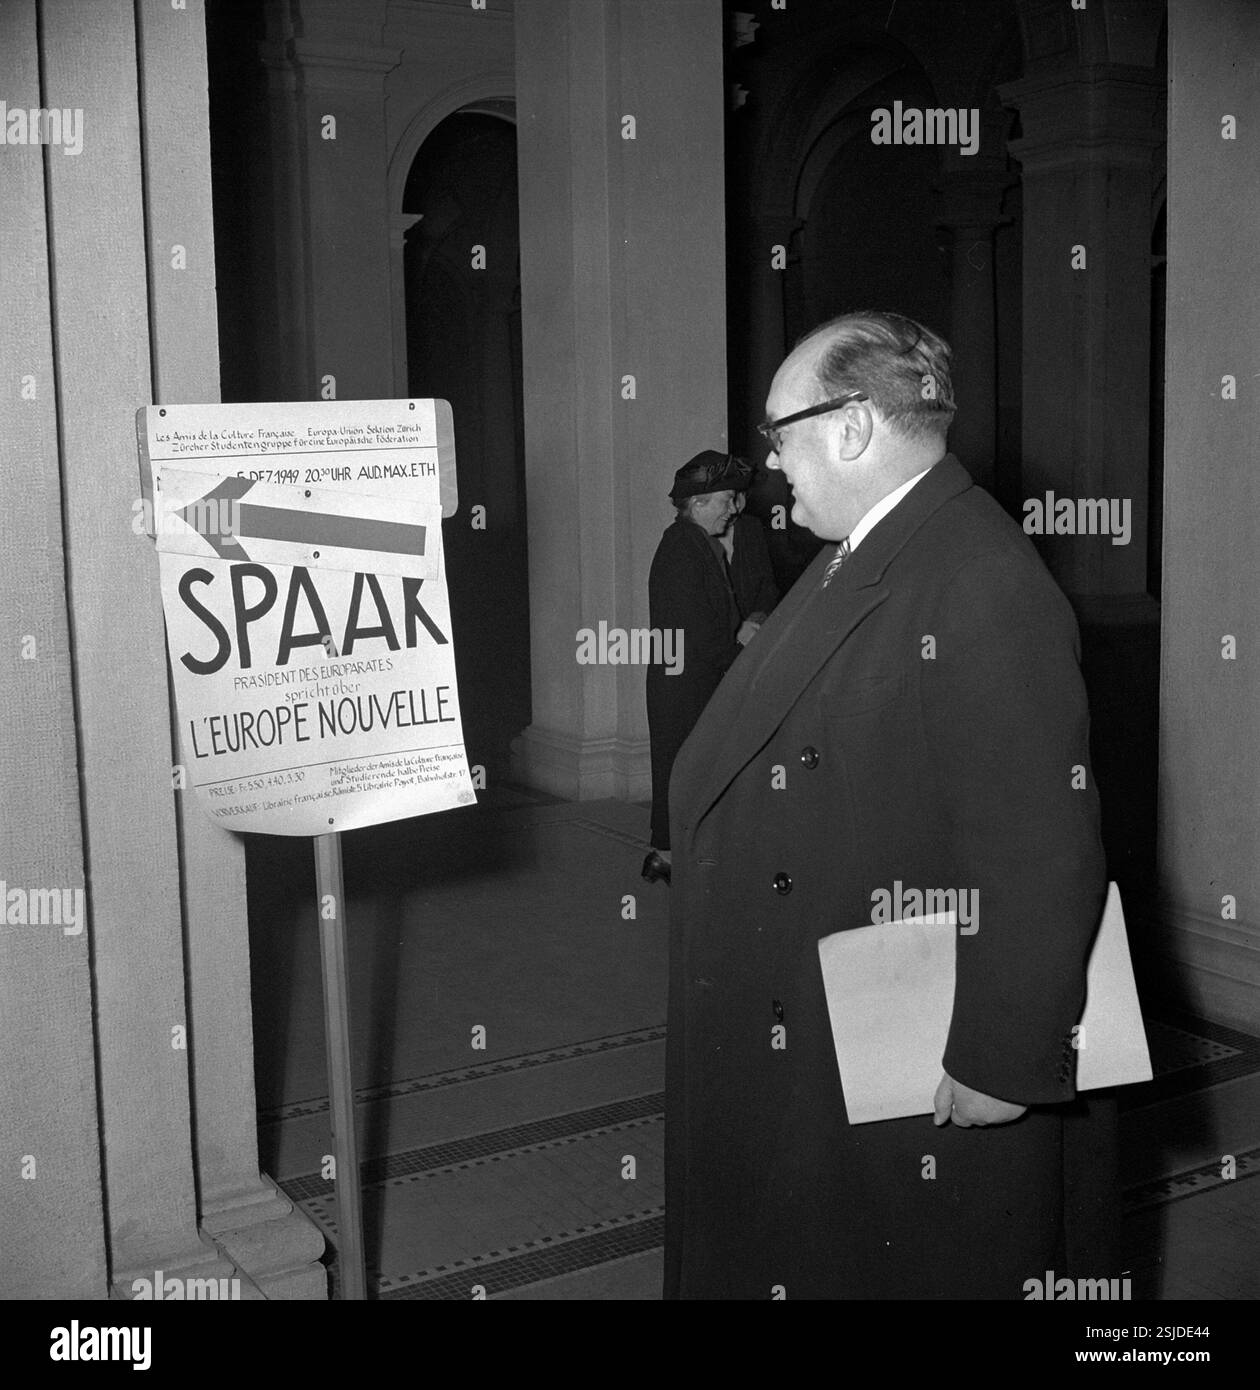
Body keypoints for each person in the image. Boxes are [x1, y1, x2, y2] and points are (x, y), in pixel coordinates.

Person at [663, 310, 1115, 1299]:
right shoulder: (870, 546)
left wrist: (1004, 1058)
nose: (772, 464)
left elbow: (1043, 845)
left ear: (853, 425)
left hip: (895, 1029)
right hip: (827, 992)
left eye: (781, 436)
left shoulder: (980, 577)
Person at [643, 452, 761, 885]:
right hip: (686, 684)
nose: (733, 509)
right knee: (683, 769)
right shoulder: (682, 547)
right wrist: (741, 655)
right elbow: (700, 635)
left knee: (684, 768)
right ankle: (669, 857)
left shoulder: (694, 544)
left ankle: (669, 856)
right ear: (700, 503)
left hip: (689, 680)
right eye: (727, 499)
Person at [717, 462, 780, 636]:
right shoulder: (695, 537)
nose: (736, 506)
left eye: (742, 494)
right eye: (731, 496)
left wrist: (757, 618)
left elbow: (767, 586)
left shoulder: (751, 526)